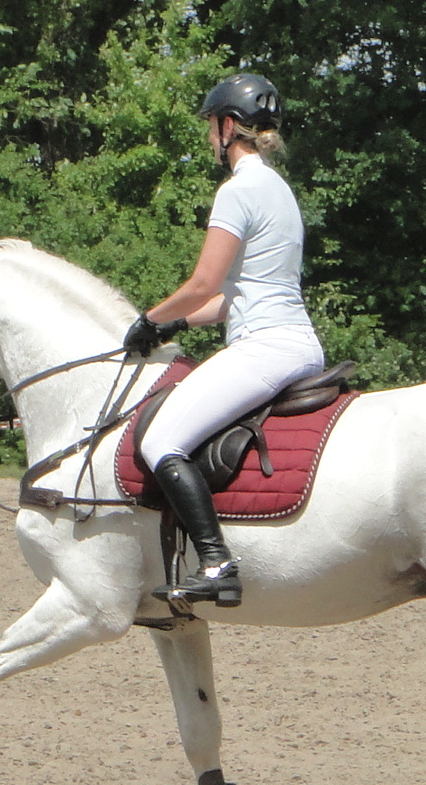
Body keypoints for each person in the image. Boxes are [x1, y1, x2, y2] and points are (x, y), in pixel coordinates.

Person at [126, 72, 323, 607]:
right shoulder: (278, 190)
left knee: (159, 440)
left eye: (211, 127)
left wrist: (148, 318)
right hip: (296, 340)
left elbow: (203, 283)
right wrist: (176, 325)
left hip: (266, 346)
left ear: (228, 127)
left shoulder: (237, 190)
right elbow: (233, 295)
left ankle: (216, 562)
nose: (208, 138)